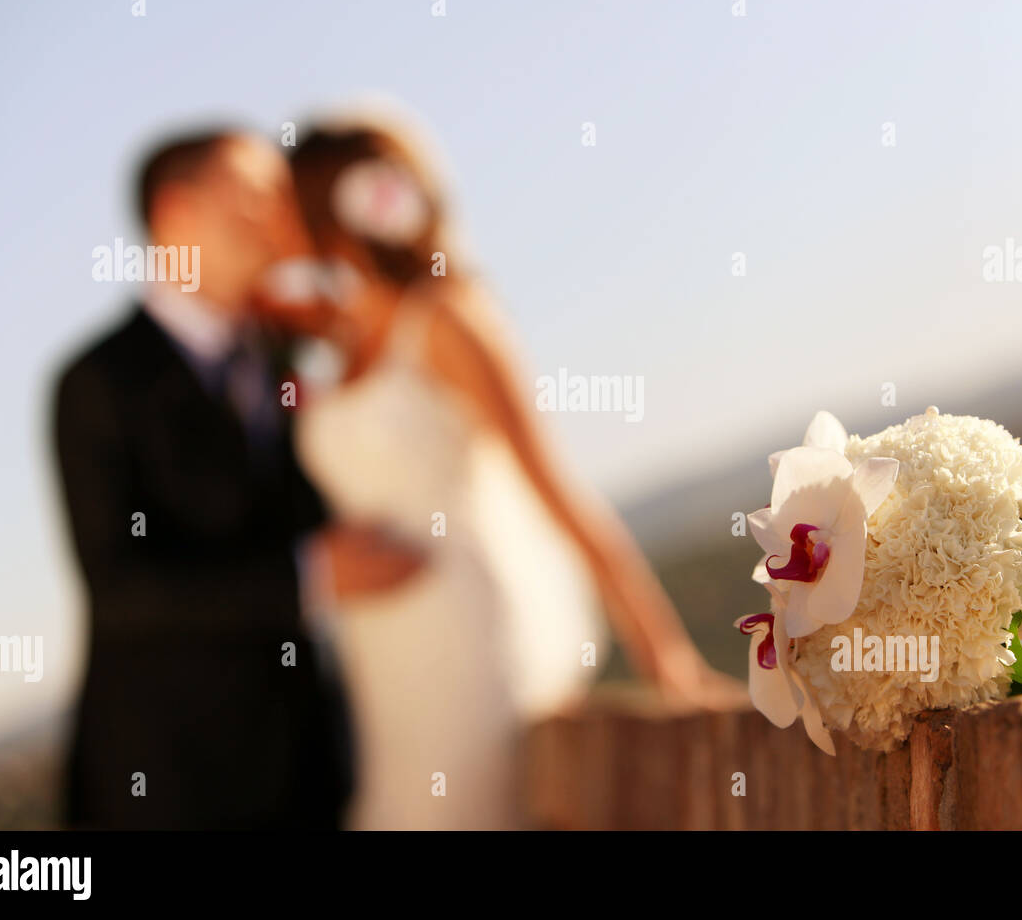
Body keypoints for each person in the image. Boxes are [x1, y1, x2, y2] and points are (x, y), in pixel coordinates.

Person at [266, 115, 736, 829]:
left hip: (466, 640)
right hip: (384, 661)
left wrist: (664, 654)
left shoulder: (448, 321)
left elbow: (555, 488)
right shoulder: (345, 330)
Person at [52, 130, 418, 829]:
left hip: (313, 770)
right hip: (172, 785)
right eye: (255, 195)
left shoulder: (287, 351)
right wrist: (311, 575)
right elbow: (122, 586)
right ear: (174, 211)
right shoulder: (96, 382)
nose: (279, 215)